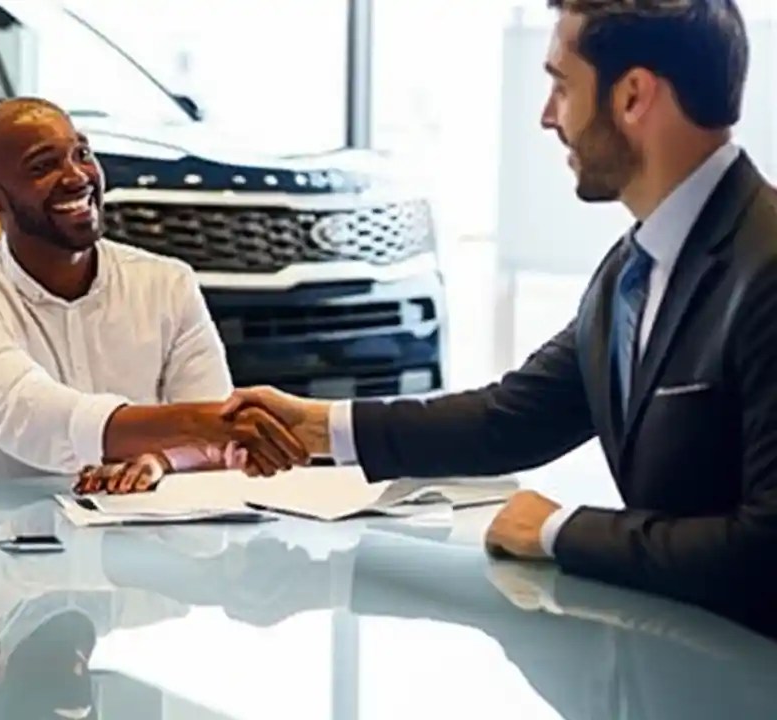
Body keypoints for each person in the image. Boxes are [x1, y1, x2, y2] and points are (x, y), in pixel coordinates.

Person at [219, 0, 777, 635]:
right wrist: (318, 427)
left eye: (561, 85)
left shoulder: (766, 269)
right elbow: (511, 419)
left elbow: (766, 553)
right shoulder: (631, 270)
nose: (548, 116)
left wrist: (557, 530)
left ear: (632, 96)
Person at [0, 97, 306, 486]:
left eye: (81, 153)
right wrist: (199, 422)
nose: (77, 177)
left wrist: (161, 461)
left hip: (156, 535)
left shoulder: (168, 283)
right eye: (43, 166)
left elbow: (213, 443)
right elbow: (33, 419)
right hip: (9, 536)